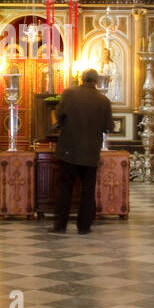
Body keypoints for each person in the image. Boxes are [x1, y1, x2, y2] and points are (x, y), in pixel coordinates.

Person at [50, 69, 115, 235]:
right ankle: (84, 226)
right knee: (88, 190)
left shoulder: (69, 93)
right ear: (96, 81)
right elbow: (109, 127)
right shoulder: (103, 101)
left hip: (68, 151)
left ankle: (60, 225)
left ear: (82, 79)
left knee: (65, 189)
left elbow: (58, 115)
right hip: (90, 153)